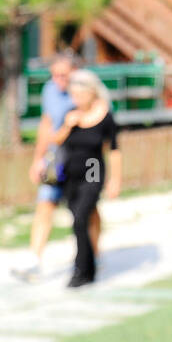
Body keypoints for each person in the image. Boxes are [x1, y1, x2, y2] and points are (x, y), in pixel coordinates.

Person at [12, 54, 100, 281]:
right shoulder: (50, 90)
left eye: (64, 74)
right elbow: (47, 124)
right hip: (57, 158)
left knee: (88, 208)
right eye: (55, 74)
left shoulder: (85, 91)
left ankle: (94, 254)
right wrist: (38, 158)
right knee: (46, 202)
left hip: (83, 160)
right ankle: (35, 259)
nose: (59, 79)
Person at [50, 69, 122, 287]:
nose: (76, 99)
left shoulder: (105, 117)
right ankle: (89, 267)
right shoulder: (71, 114)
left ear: (91, 93)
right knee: (76, 219)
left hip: (92, 169)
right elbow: (56, 140)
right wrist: (68, 124)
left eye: (80, 94)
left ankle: (80, 270)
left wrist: (115, 179)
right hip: (71, 173)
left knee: (81, 218)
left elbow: (114, 150)